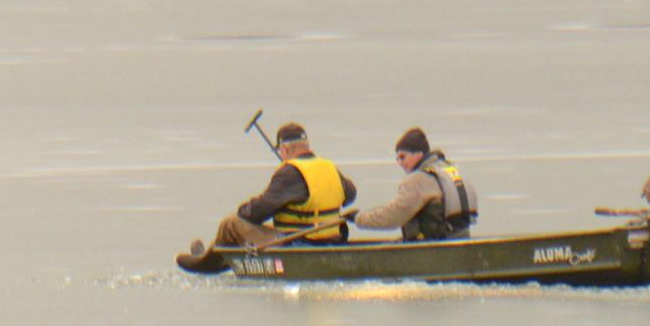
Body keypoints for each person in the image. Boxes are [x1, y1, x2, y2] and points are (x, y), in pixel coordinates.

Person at [176, 122, 357, 273]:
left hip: (298, 244)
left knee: (230, 224)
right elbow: (350, 195)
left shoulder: (289, 173)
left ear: (284, 150)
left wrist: (243, 209)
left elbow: (256, 213)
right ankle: (216, 256)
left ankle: (206, 264)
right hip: (331, 241)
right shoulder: (329, 168)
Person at [351, 127, 478, 241]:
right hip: (460, 239)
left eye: (403, 157)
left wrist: (359, 218)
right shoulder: (450, 172)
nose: (400, 162)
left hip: (432, 247)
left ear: (418, 154)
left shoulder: (418, 180)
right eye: (397, 158)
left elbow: (394, 215)